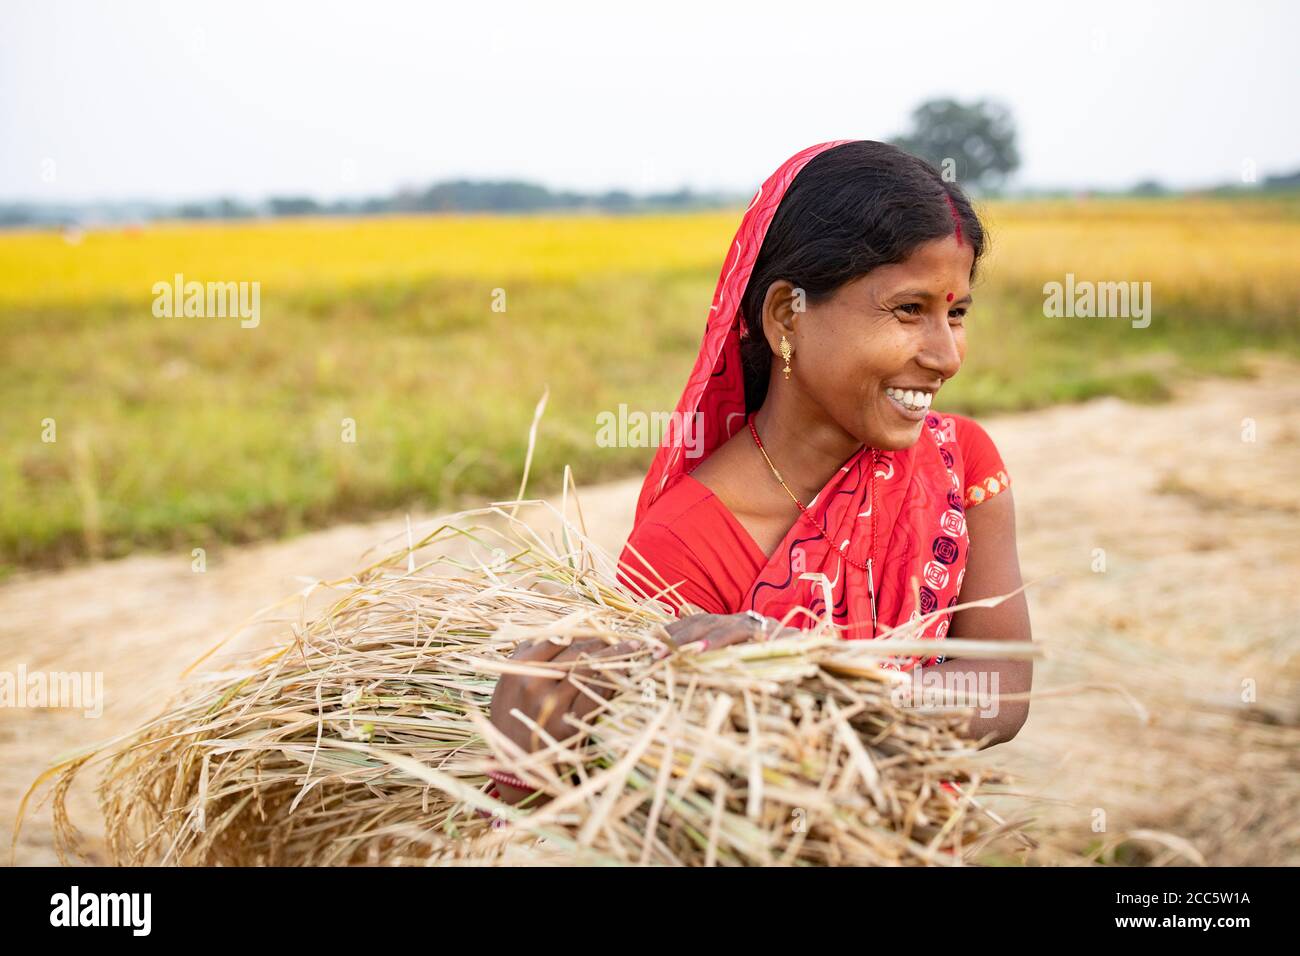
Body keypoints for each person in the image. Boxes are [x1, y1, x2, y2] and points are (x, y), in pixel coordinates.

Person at [487, 141, 1032, 806]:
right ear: (786, 316)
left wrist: (809, 679)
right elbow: (677, 792)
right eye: (910, 310)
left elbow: (1005, 685)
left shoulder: (959, 463)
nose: (946, 355)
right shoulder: (681, 546)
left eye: (958, 312)